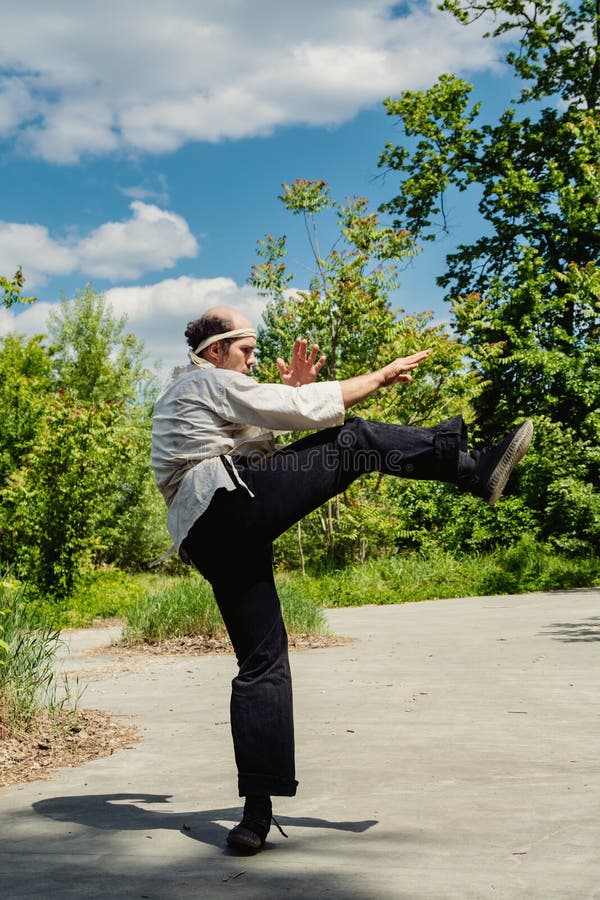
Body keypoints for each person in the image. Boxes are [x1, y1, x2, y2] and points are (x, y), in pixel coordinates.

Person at [151, 305, 533, 852]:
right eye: (246, 350)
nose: (253, 360)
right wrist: (371, 379)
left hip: (209, 533)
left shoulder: (205, 396)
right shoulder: (205, 381)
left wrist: (296, 397)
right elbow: (294, 414)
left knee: (262, 661)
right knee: (357, 441)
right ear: (215, 351)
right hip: (223, 504)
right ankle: (472, 469)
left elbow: (270, 438)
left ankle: (254, 816)